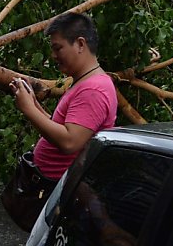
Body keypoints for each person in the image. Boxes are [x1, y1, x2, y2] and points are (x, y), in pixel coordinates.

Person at [10, 11, 118, 182]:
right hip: (49, 185)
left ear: (80, 44)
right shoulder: (85, 82)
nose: (53, 56)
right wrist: (34, 104)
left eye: (58, 48)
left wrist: (29, 109)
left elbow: (70, 142)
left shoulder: (93, 90)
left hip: (59, 189)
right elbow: (62, 127)